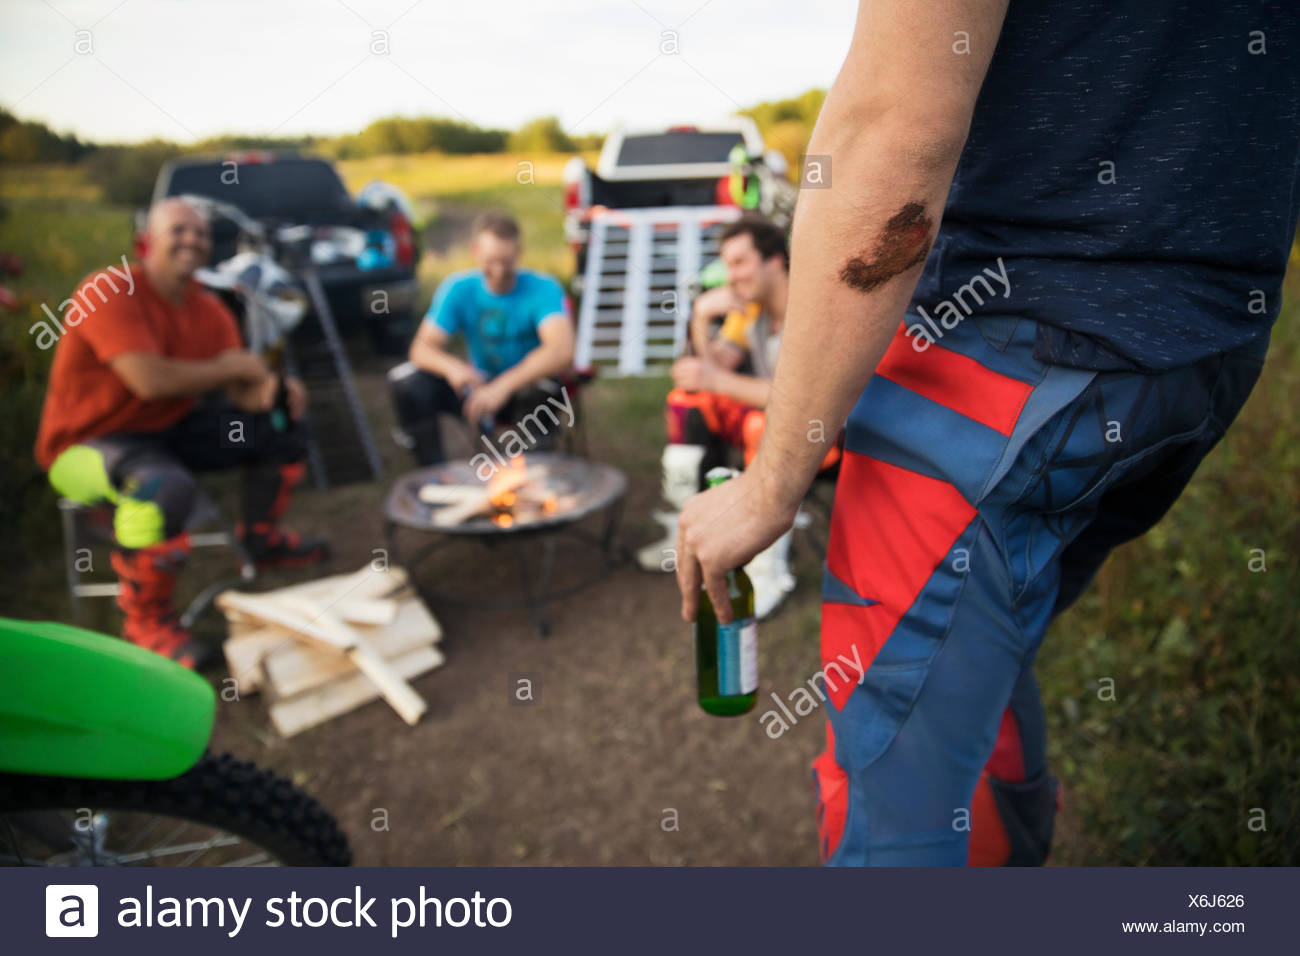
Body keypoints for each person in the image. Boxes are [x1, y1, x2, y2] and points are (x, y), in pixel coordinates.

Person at [675, 0, 1300, 866]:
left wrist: (774, 478)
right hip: (1210, 349)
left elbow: (894, 130)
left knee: (889, 814)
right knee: (985, 649)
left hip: (1006, 363)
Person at [35, 197, 328, 669]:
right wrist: (226, 367)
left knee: (278, 431)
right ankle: (145, 621)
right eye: (178, 230)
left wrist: (276, 392)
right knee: (162, 488)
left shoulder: (209, 310)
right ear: (146, 239)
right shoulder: (109, 290)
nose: (191, 239)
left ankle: (260, 541)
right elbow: (149, 382)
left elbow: (241, 391)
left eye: (200, 233)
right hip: (84, 445)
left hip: (167, 431)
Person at [637, 215, 838, 620]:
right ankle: (687, 527)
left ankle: (768, 569)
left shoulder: (813, 310)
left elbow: (801, 399)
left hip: (824, 432)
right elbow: (716, 368)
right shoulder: (751, 310)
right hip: (769, 420)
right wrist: (699, 319)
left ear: (776, 261)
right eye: (728, 265)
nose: (732, 276)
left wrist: (714, 377)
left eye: (740, 263)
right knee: (687, 401)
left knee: (761, 426)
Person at [389, 211, 575, 466]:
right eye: (491, 261)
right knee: (408, 381)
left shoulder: (543, 288)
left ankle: (536, 474)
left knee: (542, 389)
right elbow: (421, 348)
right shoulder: (458, 288)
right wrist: (454, 369)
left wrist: (504, 386)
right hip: (478, 387)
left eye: (506, 262)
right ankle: (433, 472)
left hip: (528, 390)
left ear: (518, 252)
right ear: (475, 250)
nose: (498, 272)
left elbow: (561, 350)